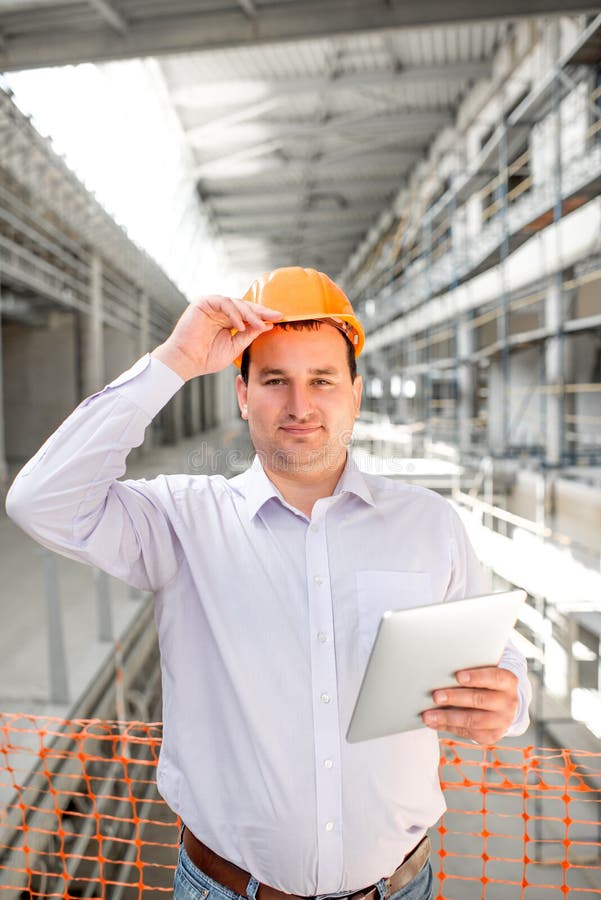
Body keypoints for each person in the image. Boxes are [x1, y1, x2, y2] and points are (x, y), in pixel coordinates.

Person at [6, 266, 530, 900]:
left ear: (356, 393)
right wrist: (174, 360)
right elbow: (42, 501)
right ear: (242, 394)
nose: (301, 406)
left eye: (322, 381)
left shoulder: (430, 523)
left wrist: (510, 698)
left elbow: (495, 650)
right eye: (275, 380)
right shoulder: (181, 521)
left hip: (401, 886)